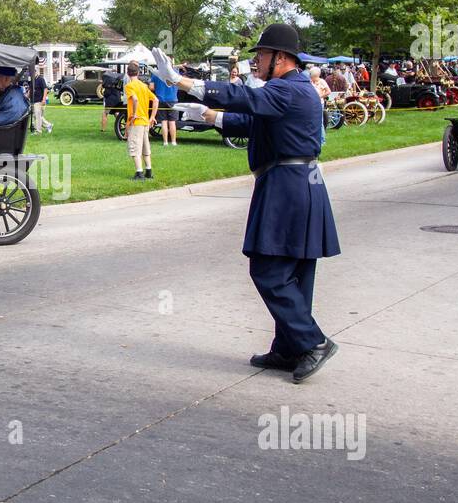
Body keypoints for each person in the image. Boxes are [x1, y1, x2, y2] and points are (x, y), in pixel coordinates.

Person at [153, 23, 340, 383]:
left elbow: (246, 99)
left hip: (289, 185)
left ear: (281, 59)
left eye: (263, 55)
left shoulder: (288, 89)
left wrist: (182, 81)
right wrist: (208, 116)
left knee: (268, 269)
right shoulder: (290, 89)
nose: (257, 62)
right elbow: (253, 121)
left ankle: (313, 342)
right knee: (294, 272)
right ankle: (289, 347)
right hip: (296, 184)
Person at [123, 61, 158, 180]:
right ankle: (149, 171)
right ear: (138, 73)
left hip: (136, 122)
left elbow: (135, 99)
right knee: (145, 147)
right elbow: (156, 100)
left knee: (135, 147)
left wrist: (133, 114)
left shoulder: (129, 86)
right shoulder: (144, 86)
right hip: (145, 122)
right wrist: (152, 116)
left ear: (127, 73)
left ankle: (139, 173)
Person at [150, 63, 179, 145]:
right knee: (172, 122)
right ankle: (173, 142)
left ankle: (165, 142)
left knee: (163, 122)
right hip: (173, 100)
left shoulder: (156, 73)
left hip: (161, 99)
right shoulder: (175, 72)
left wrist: (158, 88)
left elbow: (151, 87)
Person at [29, 66, 53, 133]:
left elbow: (45, 89)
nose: (31, 75)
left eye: (31, 73)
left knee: (37, 116)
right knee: (35, 116)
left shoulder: (40, 79)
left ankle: (38, 131)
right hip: (33, 101)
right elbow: (30, 90)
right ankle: (48, 125)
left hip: (39, 101)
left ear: (35, 72)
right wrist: (26, 97)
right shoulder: (32, 80)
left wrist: (43, 99)